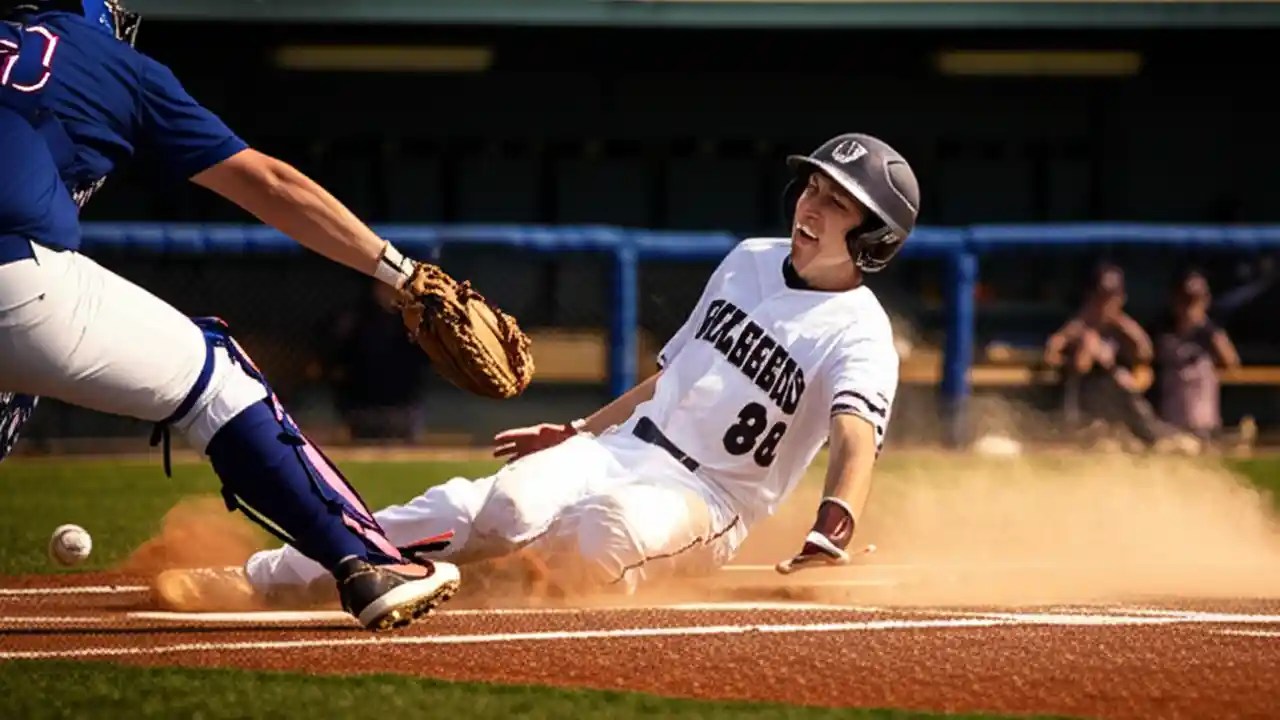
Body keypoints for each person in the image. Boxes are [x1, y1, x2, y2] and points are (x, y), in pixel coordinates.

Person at [152, 132, 920, 610]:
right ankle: (272, 573)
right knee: (498, 506)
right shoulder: (749, 259)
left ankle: (504, 580)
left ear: (876, 238)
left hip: (711, 499)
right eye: (814, 185)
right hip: (626, 446)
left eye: (838, 200)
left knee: (601, 536)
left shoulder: (859, 333)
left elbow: (856, 436)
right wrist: (582, 431)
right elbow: (677, 374)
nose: (811, 203)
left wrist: (835, 523)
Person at [0, 1, 470, 631]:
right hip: (13, 265)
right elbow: (269, 183)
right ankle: (368, 561)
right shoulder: (113, 61)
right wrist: (400, 272)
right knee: (219, 375)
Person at [1042, 263, 1199, 453]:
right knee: (1104, 364)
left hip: (1116, 396)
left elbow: (1145, 351)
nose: (1105, 304)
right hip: (1082, 393)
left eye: (1111, 297)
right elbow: (1054, 351)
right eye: (1101, 297)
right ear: (1091, 297)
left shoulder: (1119, 326)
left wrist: (1121, 323)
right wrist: (1081, 350)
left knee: (1123, 381)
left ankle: (1152, 436)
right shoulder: (1080, 325)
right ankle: (1094, 433)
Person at [1152, 269, 1241, 445]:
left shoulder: (1210, 333)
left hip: (1204, 424)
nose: (1189, 306)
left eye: (1196, 300)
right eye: (1185, 299)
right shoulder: (1162, 332)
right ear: (1175, 300)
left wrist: (1204, 325)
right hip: (1171, 422)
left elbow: (1231, 361)